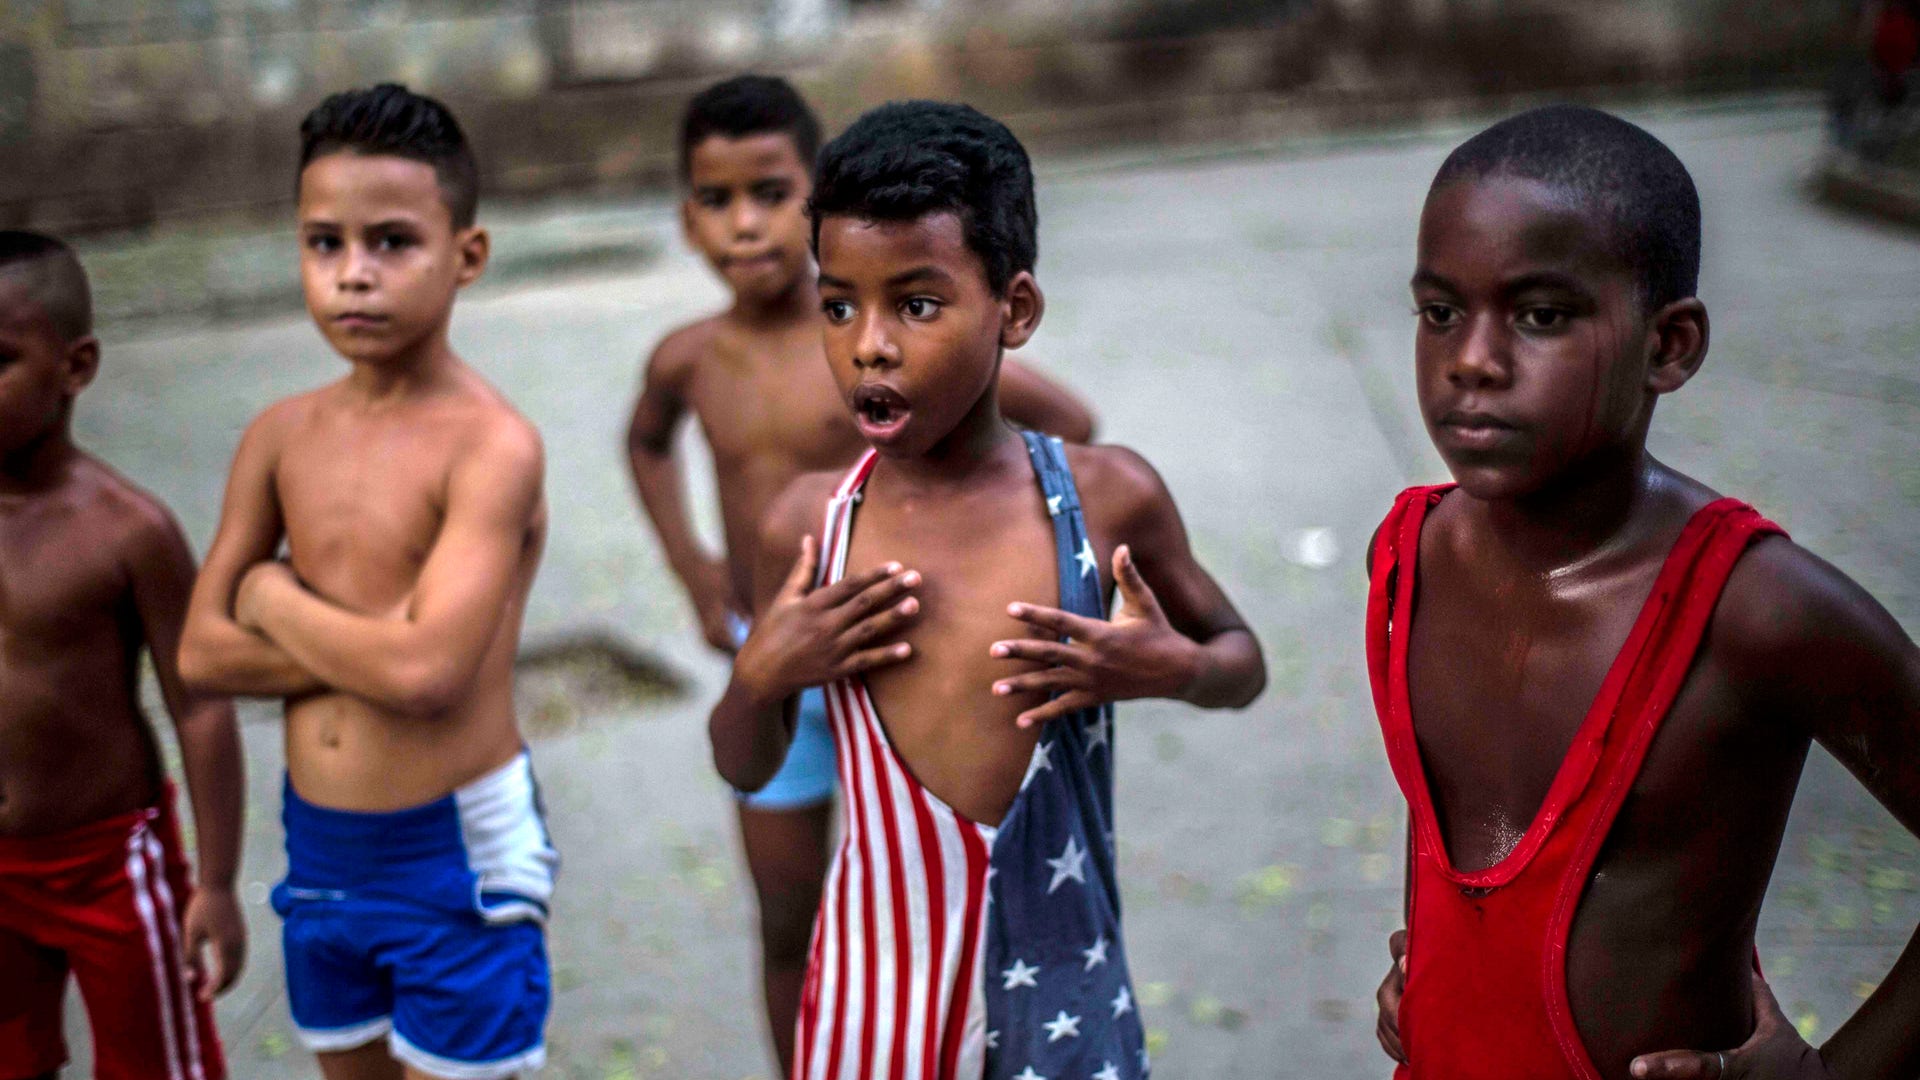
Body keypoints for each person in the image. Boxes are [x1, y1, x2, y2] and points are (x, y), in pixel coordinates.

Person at [709, 100, 1265, 1080]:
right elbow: (747, 767)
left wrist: (1175, 669)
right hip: (873, 1014)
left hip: (1066, 1003)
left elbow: (1241, 664)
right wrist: (761, 676)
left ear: (1015, 310)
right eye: (838, 306)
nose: (868, 345)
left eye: (916, 305)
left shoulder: (1107, 498)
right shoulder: (808, 526)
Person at [1367, 105, 1920, 1079]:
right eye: (1441, 313)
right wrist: (1450, 977)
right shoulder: (1409, 556)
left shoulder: (1756, 610)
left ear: (1669, 346)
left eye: (1541, 316)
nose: (1471, 361)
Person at [626, 74, 1096, 1074]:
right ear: (687, 218)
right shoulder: (688, 358)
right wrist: (695, 571)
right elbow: (646, 442)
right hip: (779, 656)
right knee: (788, 918)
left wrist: (1018, 556)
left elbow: (1067, 423)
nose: (745, 224)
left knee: (935, 909)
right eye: (717, 199)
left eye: (771, 193)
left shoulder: (875, 336)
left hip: (905, 659)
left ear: (816, 201)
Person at [179, 85, 556, 1080]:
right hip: (320, 852)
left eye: (392, 242)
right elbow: (199, 654)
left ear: (466, 254)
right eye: (324, 243)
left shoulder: (491, 447)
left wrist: (270, 599)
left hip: (453, 854)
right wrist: (380, 647)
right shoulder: (279, 437)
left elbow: (427, 676)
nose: (354, 273)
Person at [0, 230, 243, 1080]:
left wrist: (217, 882)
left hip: (108, 864)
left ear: (76, 366)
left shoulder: (126, 530)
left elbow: (200, 704)